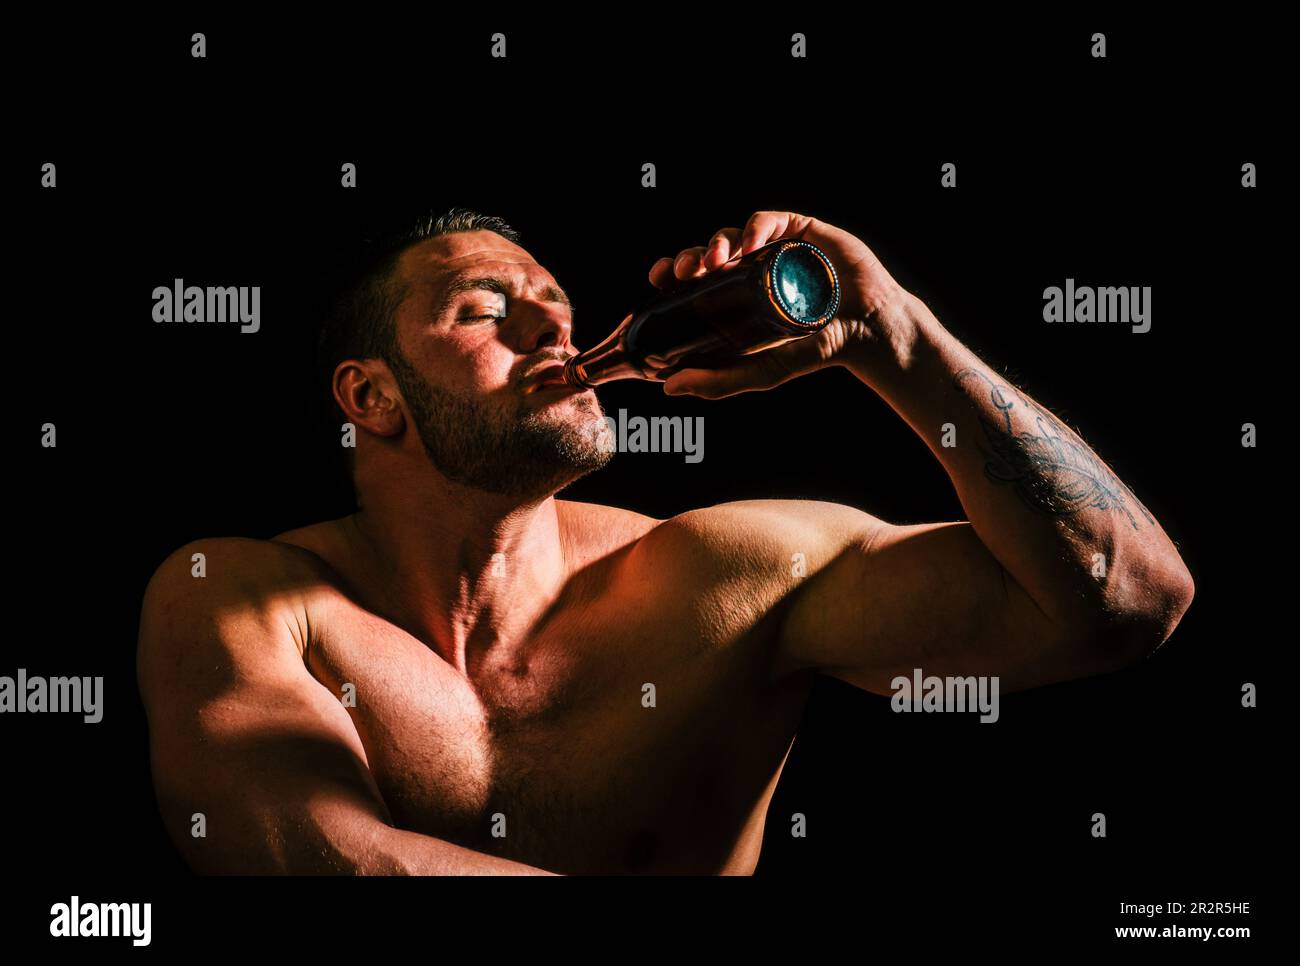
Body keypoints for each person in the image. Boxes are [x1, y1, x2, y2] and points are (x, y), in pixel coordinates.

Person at [136, 207, 1194, 875]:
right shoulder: (243, 597)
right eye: (483, 309)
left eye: (553, 307)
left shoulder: (729, 575)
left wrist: (893, 336)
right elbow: (324, 863)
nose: (550, 330)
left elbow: (1127, 596)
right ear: (370, 396)